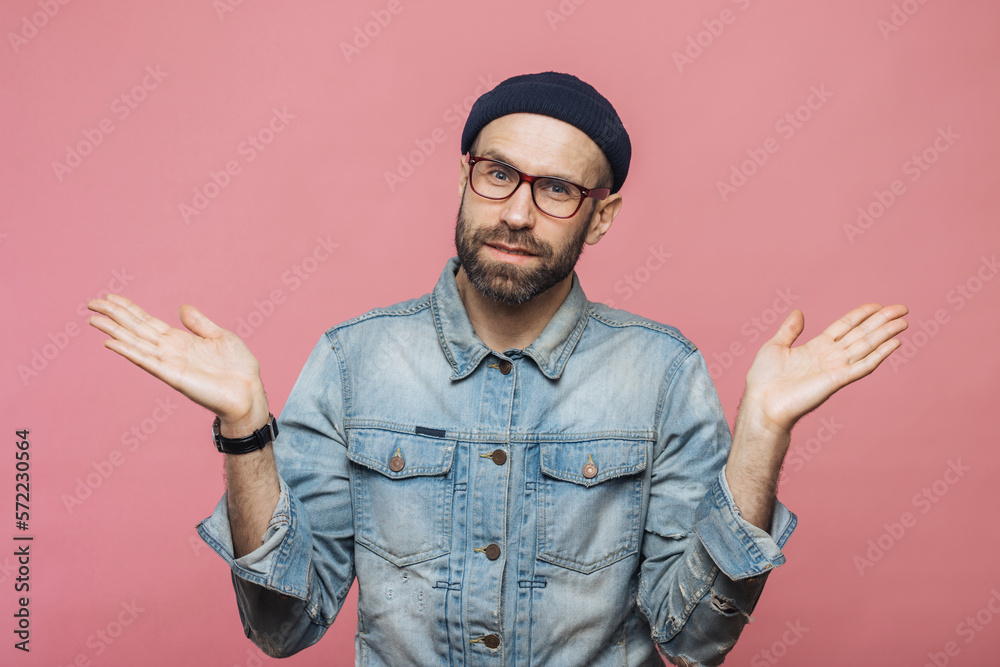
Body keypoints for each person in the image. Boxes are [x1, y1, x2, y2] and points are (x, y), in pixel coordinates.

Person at [87, 72, 908, 666]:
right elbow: (283, 625)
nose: (516, 211)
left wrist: (762, 435)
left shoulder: (664, 373)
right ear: (464, 175)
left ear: (603, 215)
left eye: (556, 189)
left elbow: (692, 638)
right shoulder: (352, 360)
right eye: (498, 173)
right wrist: (244, 431)